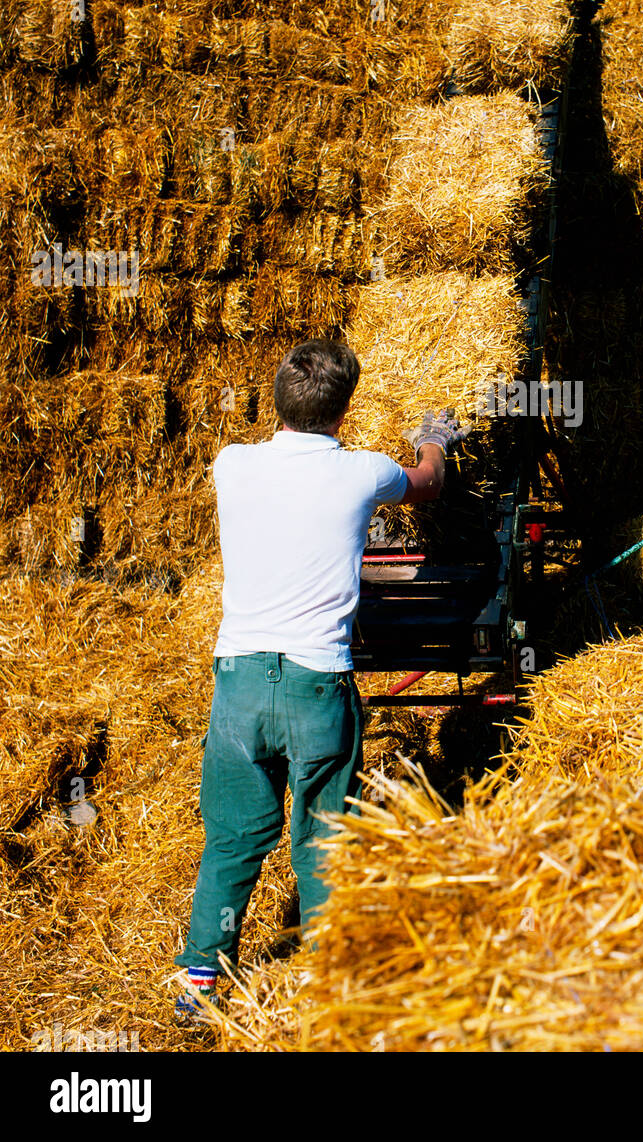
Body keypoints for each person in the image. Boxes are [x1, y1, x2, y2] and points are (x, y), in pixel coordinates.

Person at [174, 338, 465, 1021]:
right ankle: (330, 975)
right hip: (317, 686)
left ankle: (199, 982)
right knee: (322, 834)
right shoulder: (363, 472)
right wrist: (433, 439)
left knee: (233, 837)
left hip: (240, 684)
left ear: (277, 400)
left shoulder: (232, 464)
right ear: (344, 411)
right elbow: (428, 482)